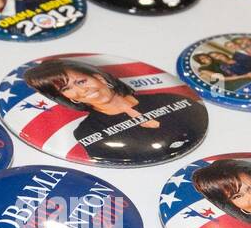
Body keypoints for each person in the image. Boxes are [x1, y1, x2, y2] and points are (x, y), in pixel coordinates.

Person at [23, 57, 205, 165]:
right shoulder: (88, 132)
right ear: (66, 97)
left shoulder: (170, 99)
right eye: (66, 89)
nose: (81, 91)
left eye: (81, 81)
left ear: (99, 77)